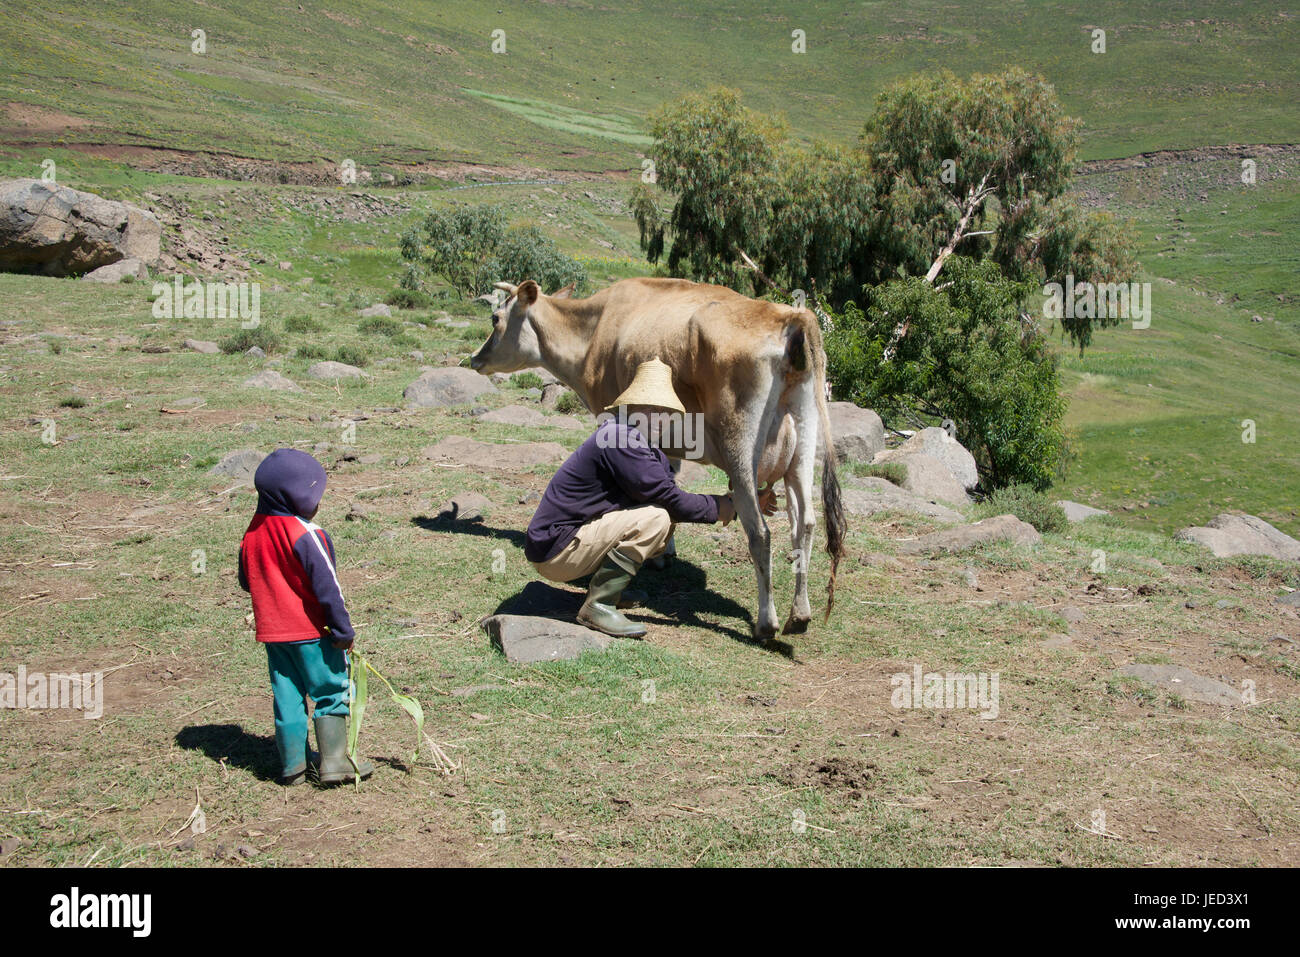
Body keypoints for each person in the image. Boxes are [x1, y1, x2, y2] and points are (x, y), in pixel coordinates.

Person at [525, 358, 774, 637]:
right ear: (631, 409)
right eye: (650, 408)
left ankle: (609, 590)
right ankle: (599, 604)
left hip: (561, 542)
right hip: (555, 548)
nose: (660, 417)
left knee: (659, 516)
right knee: (657, 517)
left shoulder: (640, 443)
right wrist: (731, 506)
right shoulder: (620, 438)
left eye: (665, 410)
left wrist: (737, 500)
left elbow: (665, 491)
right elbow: (672, 500)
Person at [238, 448, 374, 786]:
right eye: (312, 495)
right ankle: (335, 762)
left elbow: (245, 580)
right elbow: (329, 588)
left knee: (287, 696)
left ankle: (293, 766)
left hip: (273, 634)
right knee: (330, 690)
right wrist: (343, 630)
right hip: (314, 632)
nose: (318, 503)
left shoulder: (253, 532)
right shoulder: (308, 535)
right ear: (292, 496)